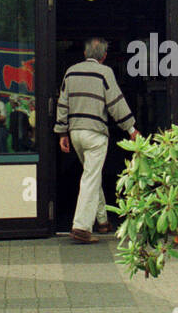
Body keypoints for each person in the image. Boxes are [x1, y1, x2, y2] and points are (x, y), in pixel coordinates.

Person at [54, 37, 139, 243]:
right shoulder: (105, 73)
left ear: (84, 54)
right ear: (104, 56)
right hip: (96, 133)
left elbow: (63, 103)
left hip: (75, 133)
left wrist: (62, 132)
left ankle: (102, 221)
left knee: (92, 175)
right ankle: (82, 227)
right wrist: (131, 128)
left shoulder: (70, 72)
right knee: (91, 178)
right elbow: (116, 103)